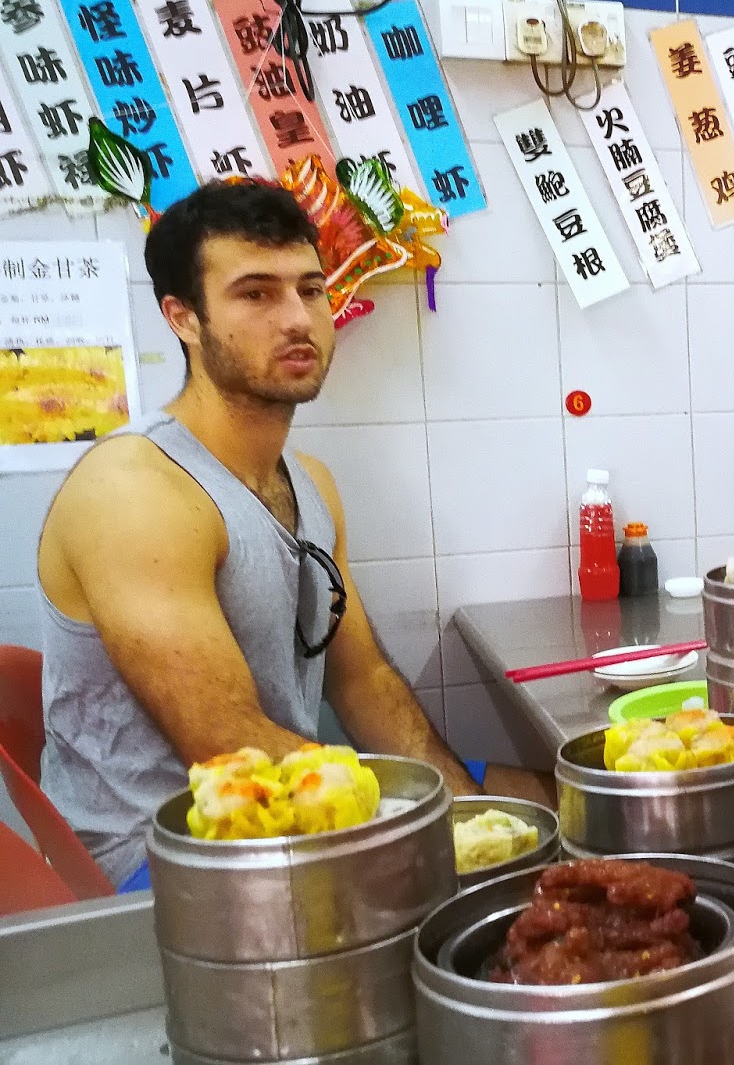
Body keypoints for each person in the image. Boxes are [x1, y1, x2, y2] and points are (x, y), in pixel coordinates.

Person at [35, 181, 553, 890]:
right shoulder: (135, 491)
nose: (297, 318)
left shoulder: (308, 481)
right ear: (183, 318)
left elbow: (363, 680)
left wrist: (461, 812)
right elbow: (222, 743)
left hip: (292, 803)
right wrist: (429, 835)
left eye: (310, 290)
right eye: (256, 294)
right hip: (169, 856)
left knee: (557, 808)